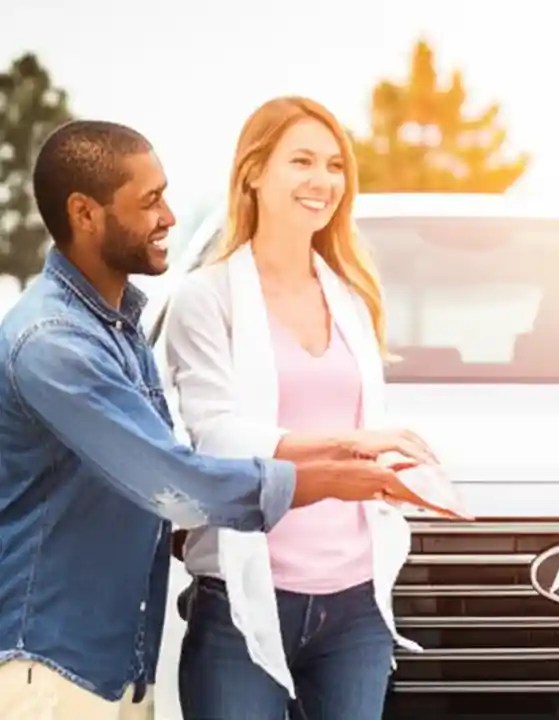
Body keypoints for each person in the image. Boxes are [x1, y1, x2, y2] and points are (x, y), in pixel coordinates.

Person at [0, 120, 424, 720]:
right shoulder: (54, 343)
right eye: (149, 201)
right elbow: (170, 478)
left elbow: (134, 474)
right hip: (50, 665)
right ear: (85, 213)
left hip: (111, 660)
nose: (170, 216)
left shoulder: (115, 326)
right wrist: (331, 476)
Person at [164, 96, 442, 720]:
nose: (323, 181)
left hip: (353, 608)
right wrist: (349, 448)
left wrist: (399, 467)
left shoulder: (353, 295)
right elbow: (216, 437)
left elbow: (363, 426)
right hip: (242, 601)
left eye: (335, 165)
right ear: (253, 172)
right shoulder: (206, 299)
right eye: (302, 161)